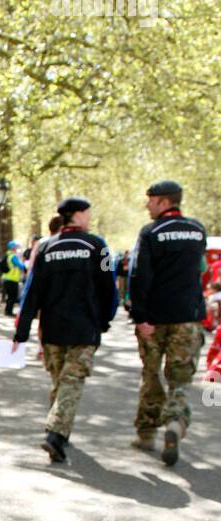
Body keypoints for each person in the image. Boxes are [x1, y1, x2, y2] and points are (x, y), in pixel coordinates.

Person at [14, 196, 118, 463]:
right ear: (79, 215)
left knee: (60, 382)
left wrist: (22, 332)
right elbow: (109, 286)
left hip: (53, 329)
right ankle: (55, 435)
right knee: (71, 383)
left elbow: (31, 293)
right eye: (88, 213)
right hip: (84, 329)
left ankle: (59, 432)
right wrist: (105, 320)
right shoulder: (98, 246)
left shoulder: (47, 248)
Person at [127, 180, 207, 465]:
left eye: (150, 200)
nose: (147, 205)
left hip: (155, 318)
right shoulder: (198, 230)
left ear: (163, 202)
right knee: (180, 377)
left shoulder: (151, 232)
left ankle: (146, 432)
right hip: (188, 316)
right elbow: (200, 268)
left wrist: (139, 316)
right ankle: (175, 422)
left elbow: (139, 274)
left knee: (151, 374)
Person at [2, 240, 26, 315]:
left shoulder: (7, 255)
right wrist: (26, 267)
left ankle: (7, 311)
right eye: (15, 247)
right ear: (13, 248)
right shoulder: (12, 256)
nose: (16, 249)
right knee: (13, 296)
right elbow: (20, 265)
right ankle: (9, 312)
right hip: (12, 279)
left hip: (7, 278)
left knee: (10, 296)